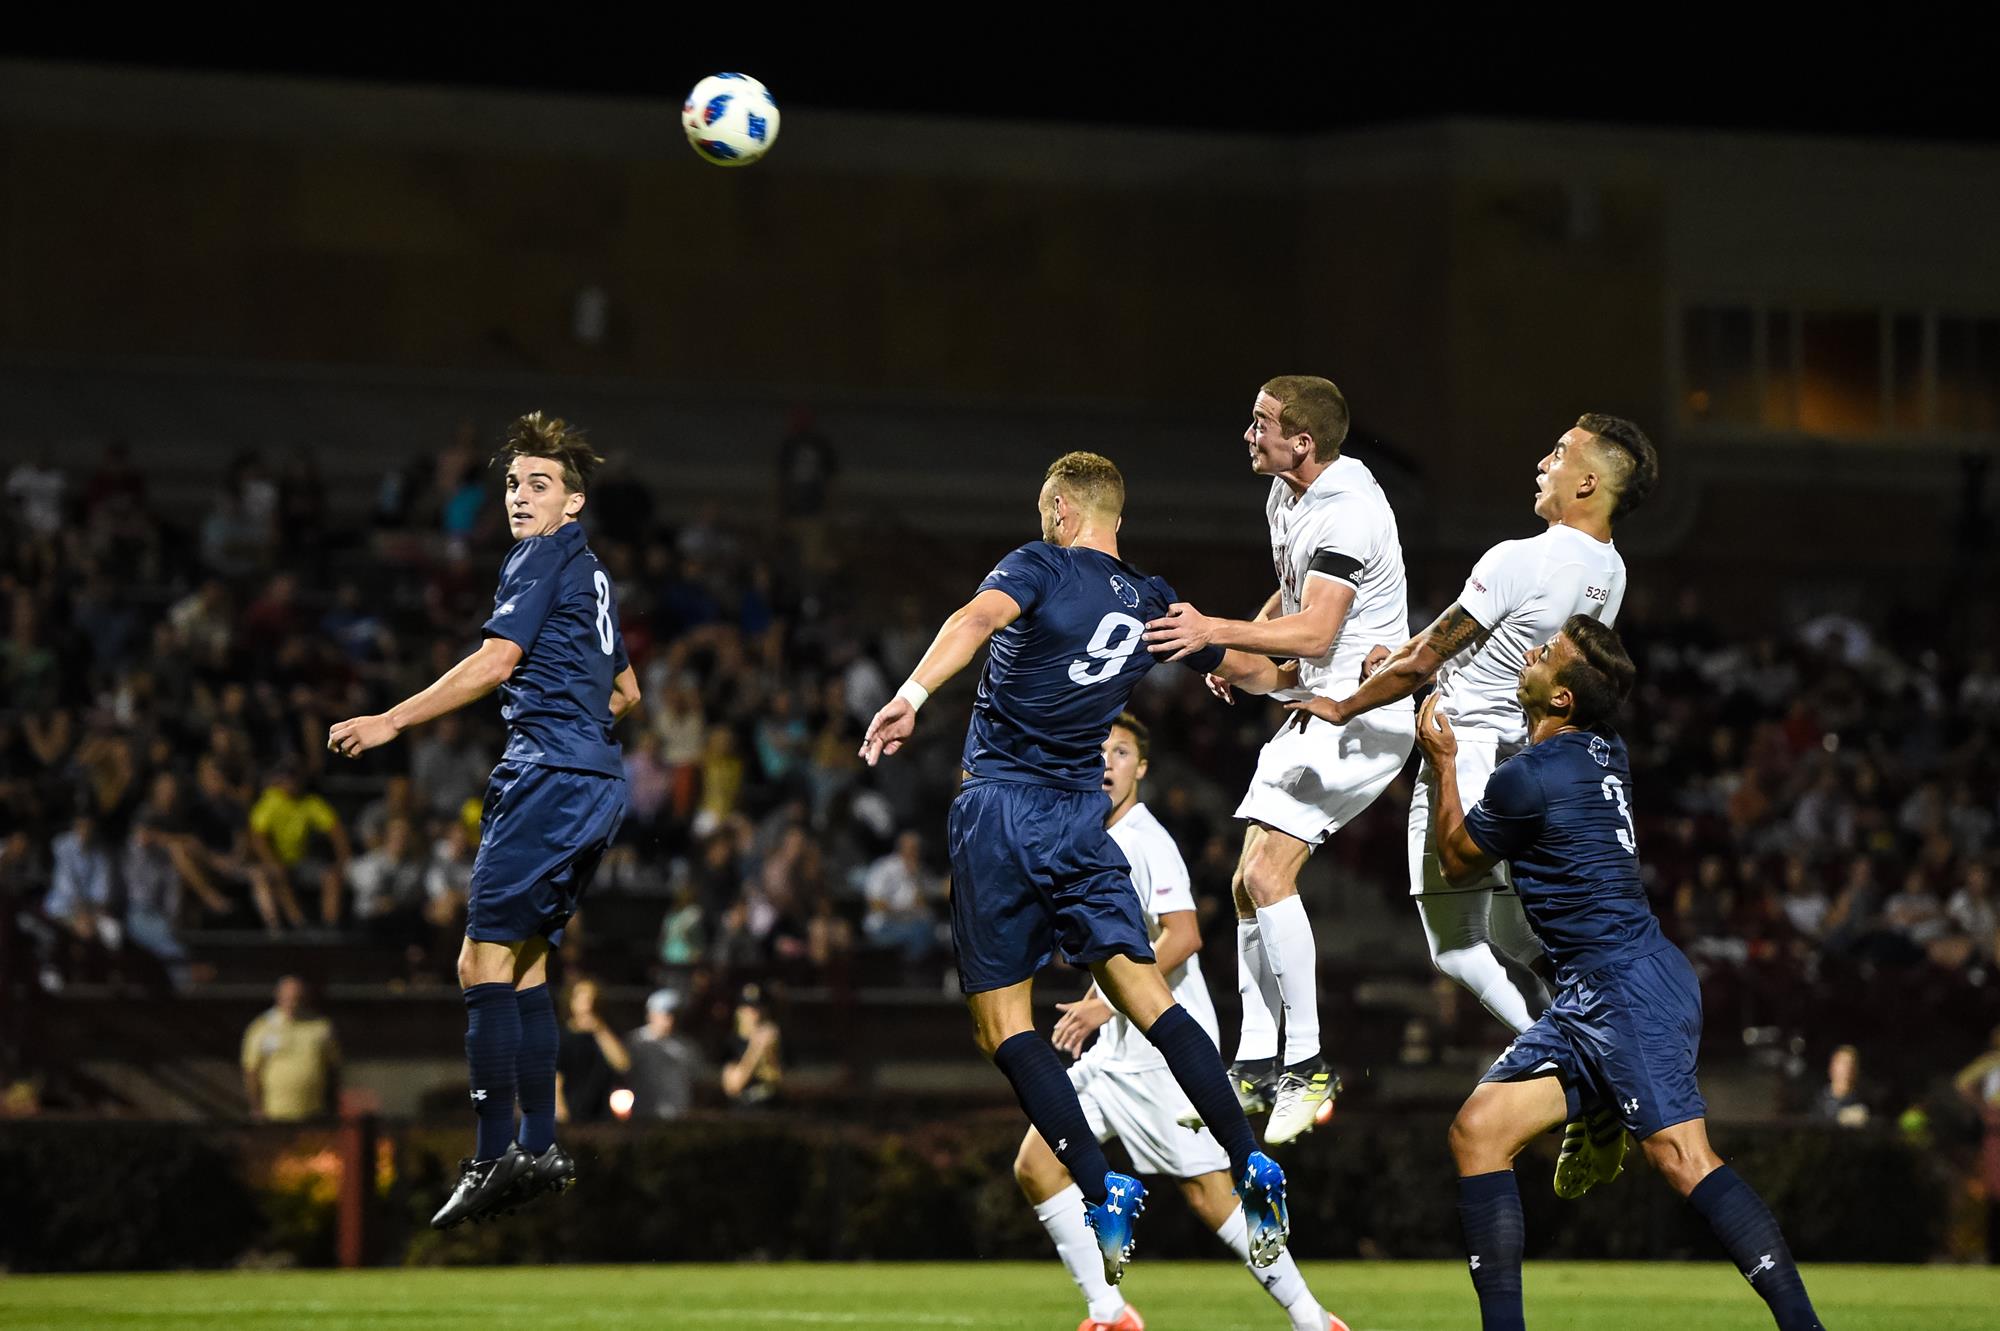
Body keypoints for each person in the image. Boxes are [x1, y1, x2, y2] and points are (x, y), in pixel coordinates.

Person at [859, 450, 1293, 1282]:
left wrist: (911, 696)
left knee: (1003, 1025)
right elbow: (1258, 672)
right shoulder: (1159, 602)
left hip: (1002, 809)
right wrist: (1305, 667)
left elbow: (975, 619)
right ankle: (1251, 1157)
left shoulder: (1040, 564)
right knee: (1146, 994)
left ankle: (1101, 1187)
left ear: (1061, 509)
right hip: (1082, 822)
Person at [1416, 616, 1823, 1331]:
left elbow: (1455, 860)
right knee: (1478, 1129)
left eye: (1548, 653)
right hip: (1599, 989)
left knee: (1683, 1157)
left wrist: (1443, 762)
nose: (1532, 653)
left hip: (1624, 989)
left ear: (1564, 699)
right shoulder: (1608, 751)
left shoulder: (1530, 776)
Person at [1285, 412, 1656, 1193]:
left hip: (1470, 753)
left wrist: (1345, 704)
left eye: (1558, 454)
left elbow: (1433, 653)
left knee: (1456, 946)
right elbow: (1501, 653)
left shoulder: (1519, 556)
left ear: (1588, 481)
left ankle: (1583, 1073)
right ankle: (1602, 1052)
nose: (1542, 462)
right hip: (1531, 759)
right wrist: (1420, 659)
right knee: (1520, 933)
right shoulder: (1610, 572)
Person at [327, 412, 640, 1228]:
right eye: (511, 483)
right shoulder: (593, 572)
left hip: (549, 774)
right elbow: (629, 694)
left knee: (477, 959)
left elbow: (497, 660)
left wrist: (390, 721)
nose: (519, 496)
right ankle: (541, 1143)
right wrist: (574, 718)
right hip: (596, 778)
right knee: (526, 961)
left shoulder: (537, 557)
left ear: (573, 502)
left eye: (540, 483)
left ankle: (494, 1149)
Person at [1143, 375, 1415, 1144]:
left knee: (1267, 877)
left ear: (1303, 442)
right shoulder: (1286, 495)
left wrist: (1213, 629)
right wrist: (1238, 641)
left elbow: (1320, 632)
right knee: (1243, 885)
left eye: (1261, 422)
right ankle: (1258, 1062)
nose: (1248, 432)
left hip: (1363, 708)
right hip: (1313, 702)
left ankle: (1310, 1063)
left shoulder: (1349, 509)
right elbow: (1292, 595)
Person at [1018, 714, 1348, 1331]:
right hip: (1115, 1053)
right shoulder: (1085, 838)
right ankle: (1109, 1311)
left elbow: (1186, 935)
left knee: (1211, 1195)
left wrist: (1101, 1002)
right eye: (1096, 750)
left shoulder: (1146, 839)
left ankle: (1311, 1317)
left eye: (1120, 752)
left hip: (1162, 1055)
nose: (1106, 762)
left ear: (1141, 768)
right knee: (1038, 1163)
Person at [241, 975, 340, 1121]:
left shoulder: (321, 1027)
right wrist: (256, 1108)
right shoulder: (261, 1027)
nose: (293, 1003)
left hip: (313, 1112)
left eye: (297, 998)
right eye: (288, 997)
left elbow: (334, 1067)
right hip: (274, 1114)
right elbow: (251, 1071)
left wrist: (333, 1105)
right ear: (278, 996)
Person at [556, 977, 631, 1124]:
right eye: (582, 999)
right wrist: (562, 1116)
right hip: (572, 1114)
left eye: (592, 999)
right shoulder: (562, 1037)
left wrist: (599, 1030)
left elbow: (623, 1064)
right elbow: (555, 1080)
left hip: (603, 1116)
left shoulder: (606, 1033)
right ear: (571, 1002)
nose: (587, 1005)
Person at [626, 988, 704, 1119]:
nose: (670, 1020)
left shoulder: (687, 1047)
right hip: (643, 1118)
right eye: (665, 1014)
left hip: (678, 1119)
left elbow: (699, 1079)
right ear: (651, 1014)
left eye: (674, 1014)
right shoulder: (635, 1042)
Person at [721, 984, 784, 1107]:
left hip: (773, 1109)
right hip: (744, 1110)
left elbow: (780, 1080)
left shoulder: (774, 1038)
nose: (754, 1013)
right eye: (747, 1008)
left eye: (757, 1008)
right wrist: (756, 1048)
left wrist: (771, 1052)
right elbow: (733, 1086)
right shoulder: (732, 1043)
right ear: (738, 1012)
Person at [1811, 1045, 1870, 1127]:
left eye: (1850, 1064)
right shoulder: (1819, 1099)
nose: (1847, 1069)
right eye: (1842, 1063)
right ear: (1832, 1067)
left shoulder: (1862, 1101)